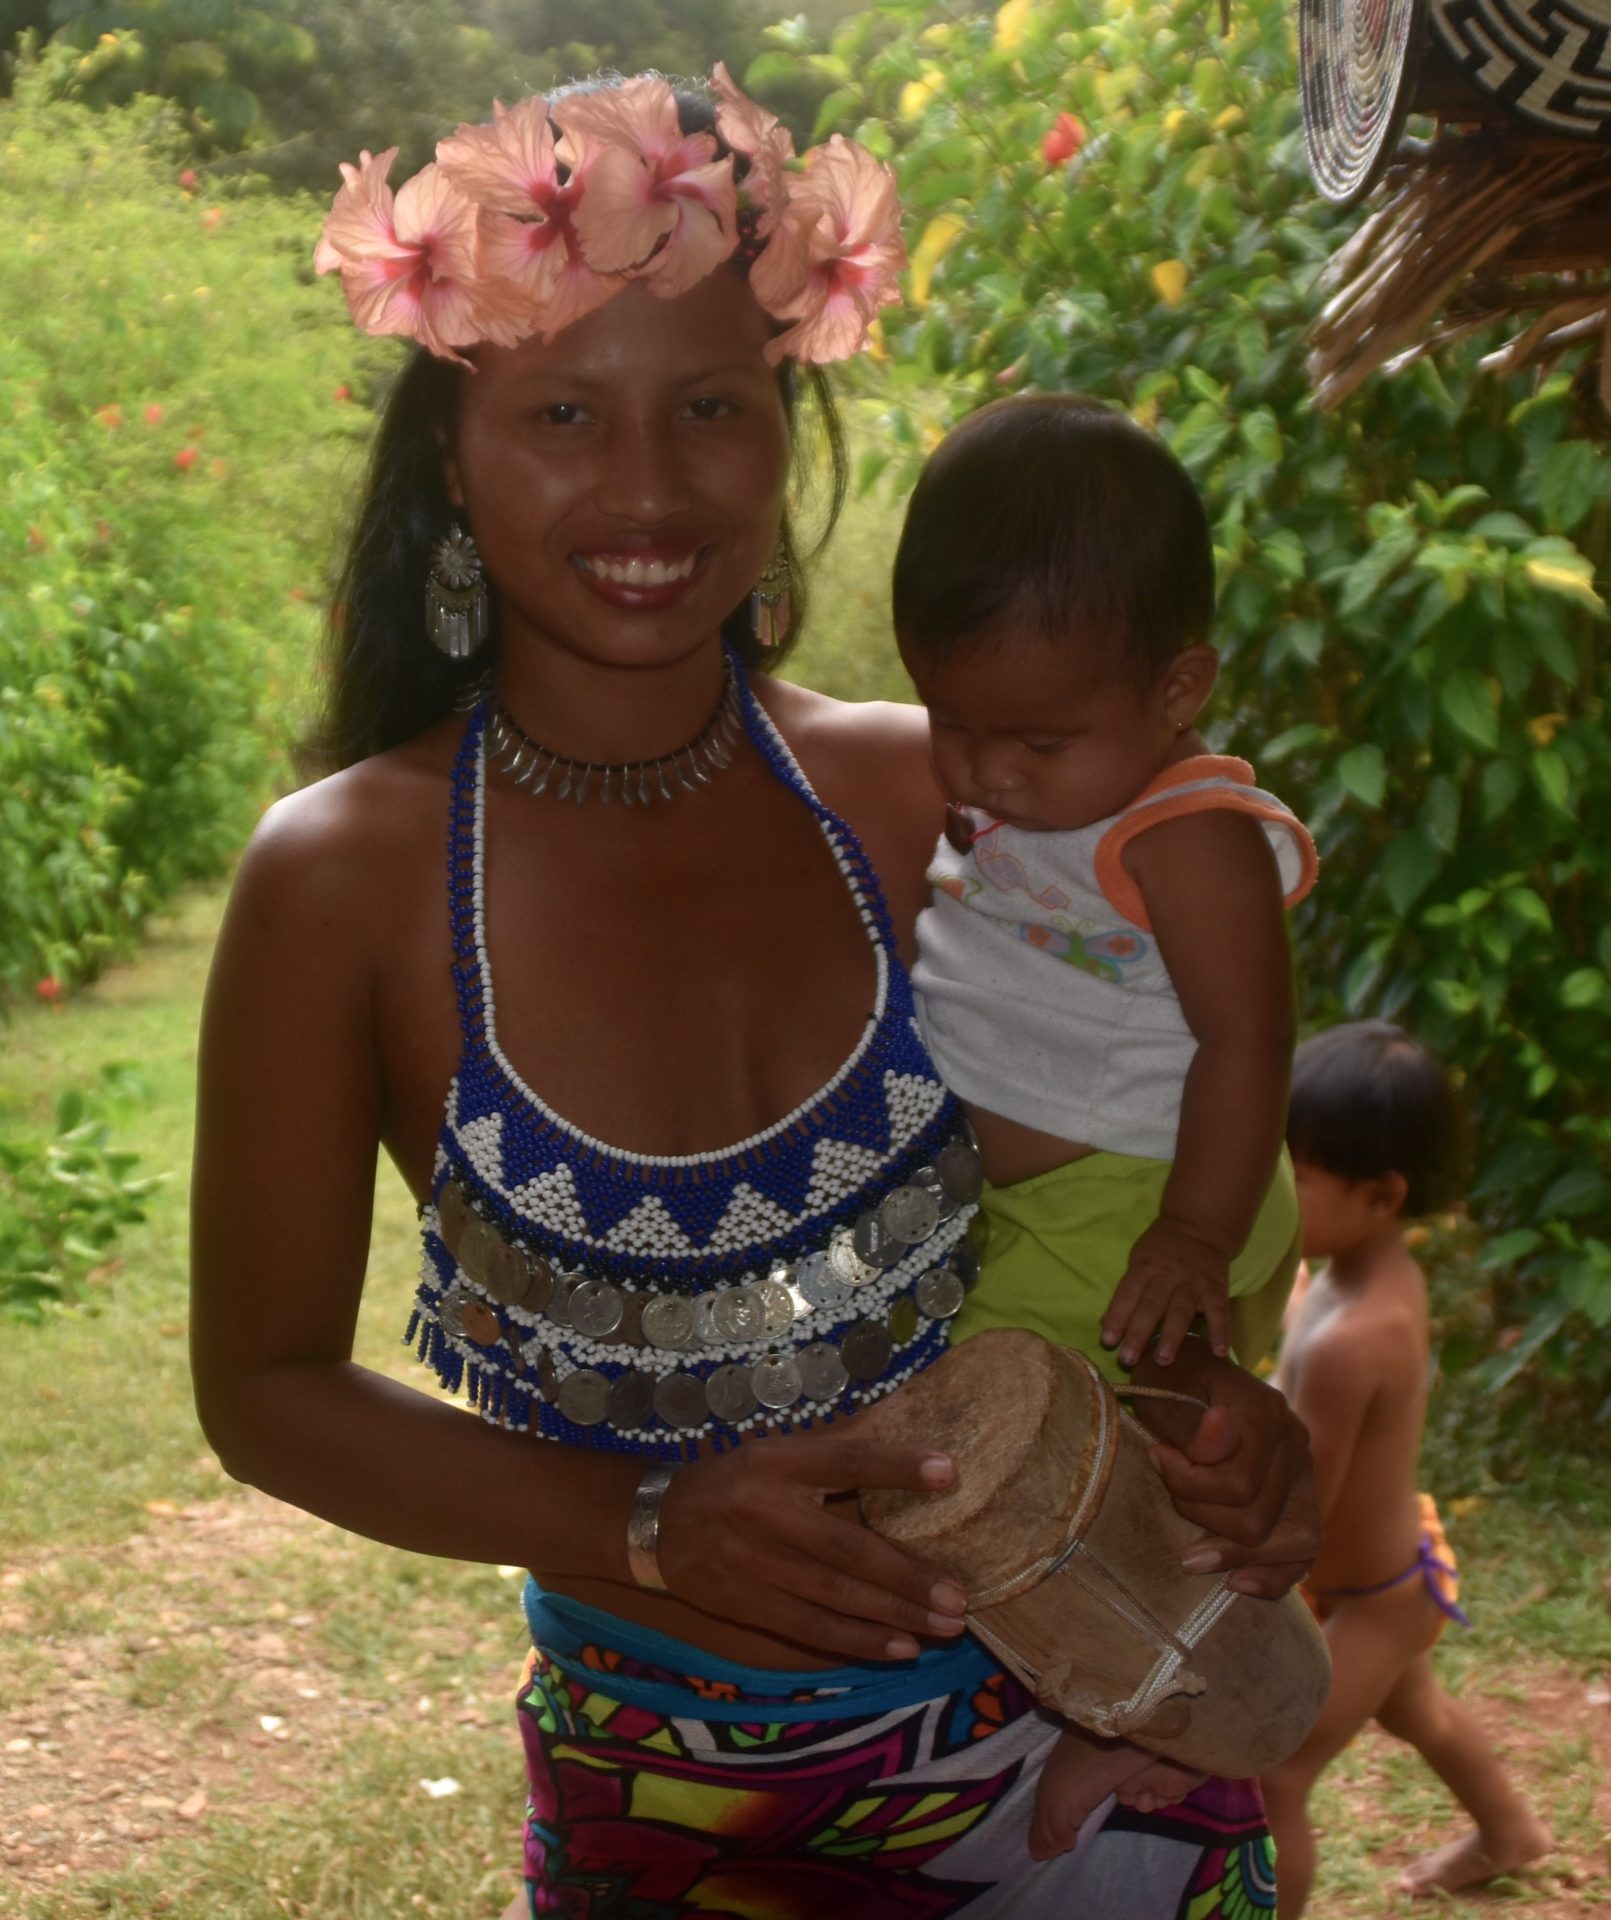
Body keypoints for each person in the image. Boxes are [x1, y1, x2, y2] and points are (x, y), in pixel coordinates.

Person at [189, 70, 1319, 1918]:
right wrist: (641, 1522)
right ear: (451, 460)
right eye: (562, 412)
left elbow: (1143, 1135)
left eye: (711, 408)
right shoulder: (347, 882)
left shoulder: (933, 799)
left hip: (1099, 1759)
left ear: (784, 432)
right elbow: (266, 1390)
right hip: (680, 1817)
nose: (646, 486)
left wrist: (1228, 1428)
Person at [894, 395, 1318, 1853]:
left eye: (1032, 740)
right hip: (1040, 1204)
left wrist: (1192, 1233)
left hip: (1131, 1203)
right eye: (950, 721)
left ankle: (1132, 1738)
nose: (982, 773)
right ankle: (1130, 1700)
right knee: (1083, 1453)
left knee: (1050, 1457)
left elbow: (1247, 1036)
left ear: (1177, 688)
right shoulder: (1039, 784)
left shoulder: (1185, 833)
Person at [1260, 1021, 1550, 1914]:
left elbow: (1300, 1498)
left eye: (1292, 1176)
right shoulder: (1348, 1275)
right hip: (1382, 1574)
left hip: (1374, 1600)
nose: (1265, 1189)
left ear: (1382, 1194)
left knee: (1276, 1780)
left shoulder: (1358, 1336)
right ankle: (1510, 1835)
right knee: (1413, 1712)